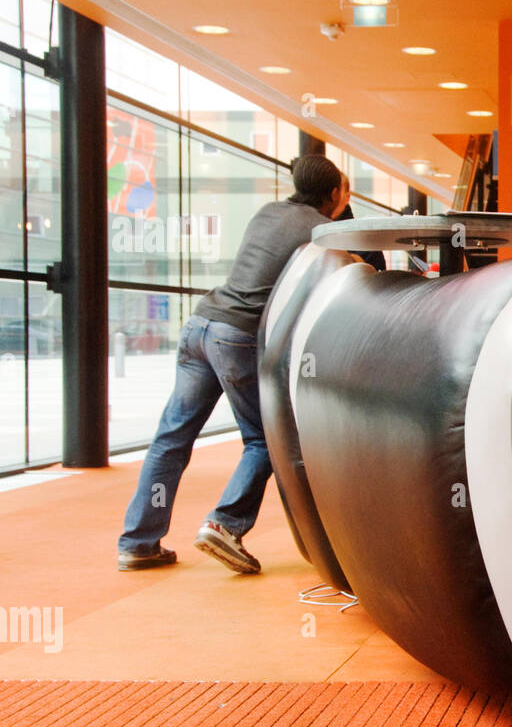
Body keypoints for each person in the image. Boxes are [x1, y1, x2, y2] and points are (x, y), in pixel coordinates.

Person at [116, 155, 350, 574]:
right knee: (263, 440)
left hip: (201, 325)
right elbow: (348, 271)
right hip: (236, 336)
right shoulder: (319, 231)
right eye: (343, 191)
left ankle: (138, 541)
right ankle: (224, 525)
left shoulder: (268, 211)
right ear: (334, 194)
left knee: (171, 438)